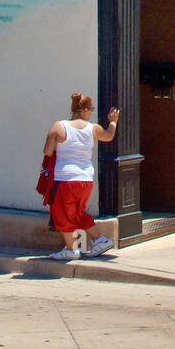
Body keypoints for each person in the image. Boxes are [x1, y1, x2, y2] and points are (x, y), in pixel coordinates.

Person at [43, 93, 120, 259]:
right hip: (86, 179)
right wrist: (113, 122)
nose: (91, 112)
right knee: (77, 213)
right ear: (84, 110)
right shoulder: (93, 128)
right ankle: (101, 240)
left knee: (61, 214)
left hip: (65, 178)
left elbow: (48, 151)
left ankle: (71, 250)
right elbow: (109, 136)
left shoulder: (58, 126)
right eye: (91, 109)